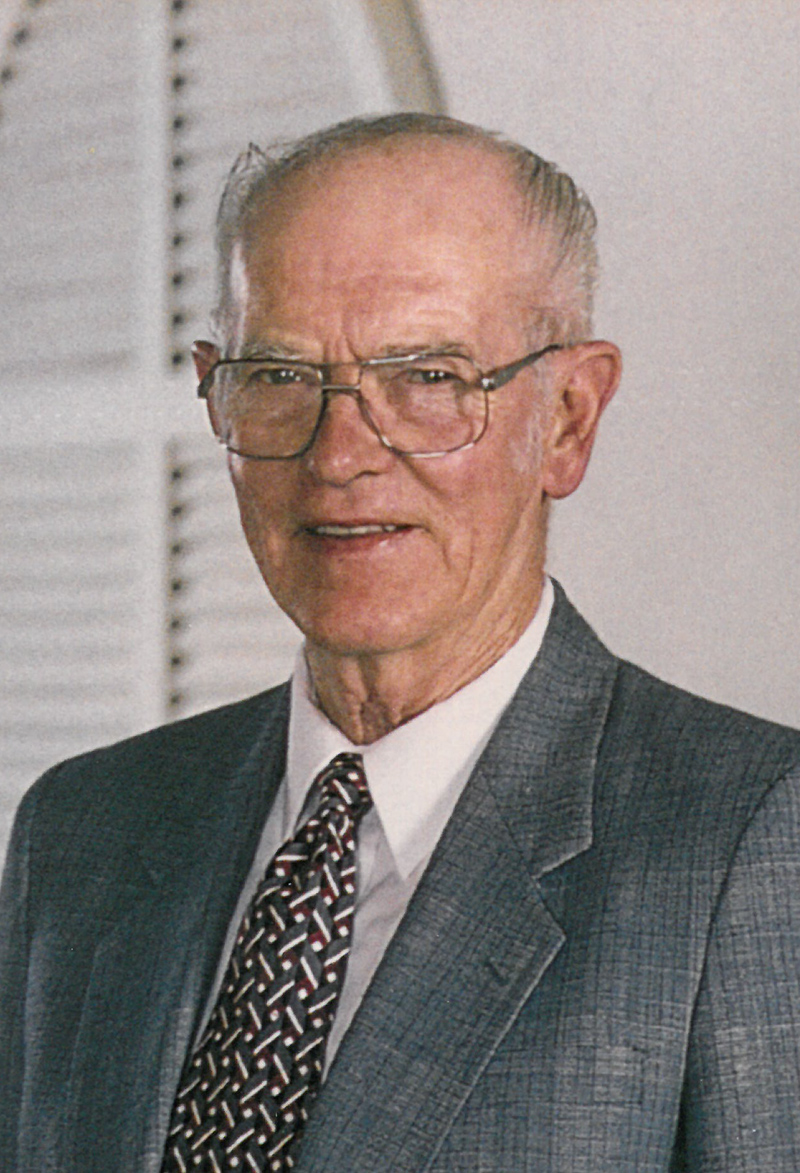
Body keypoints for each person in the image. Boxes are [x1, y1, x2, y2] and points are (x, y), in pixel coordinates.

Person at [1, 113, 799, 1173]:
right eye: (279, 376)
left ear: (567, 418)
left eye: (427, 377)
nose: (340, 456)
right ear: (215, 394)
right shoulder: (84, 833)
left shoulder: (747, 842)